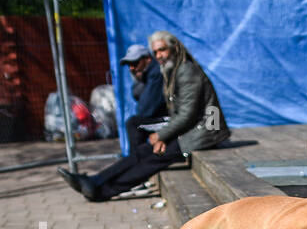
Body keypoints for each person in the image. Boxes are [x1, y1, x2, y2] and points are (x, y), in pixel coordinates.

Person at [58, 31, 230, 202]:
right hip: (192, 128)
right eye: (155, 52)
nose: (159, 56)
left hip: (205, 131)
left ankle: (102, 191)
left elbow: (187, 115)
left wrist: (162, 135)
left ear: (175, 48)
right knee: (144, 150)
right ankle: (96, 180)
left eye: (162, 50)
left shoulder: (186, 71)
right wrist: (164, 135)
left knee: (154, 156)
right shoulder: (174, 69)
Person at [117, 41, 166, 153]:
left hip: (173, 121)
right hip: (164, 119)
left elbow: (145, 110)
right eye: (129, 65)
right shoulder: (145, 78)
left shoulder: (155, 73)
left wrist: (142, 80)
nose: (131, 68)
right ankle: (137, 159)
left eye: (135, 63)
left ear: (148, 59)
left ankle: (137, 161)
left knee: (134, 123)